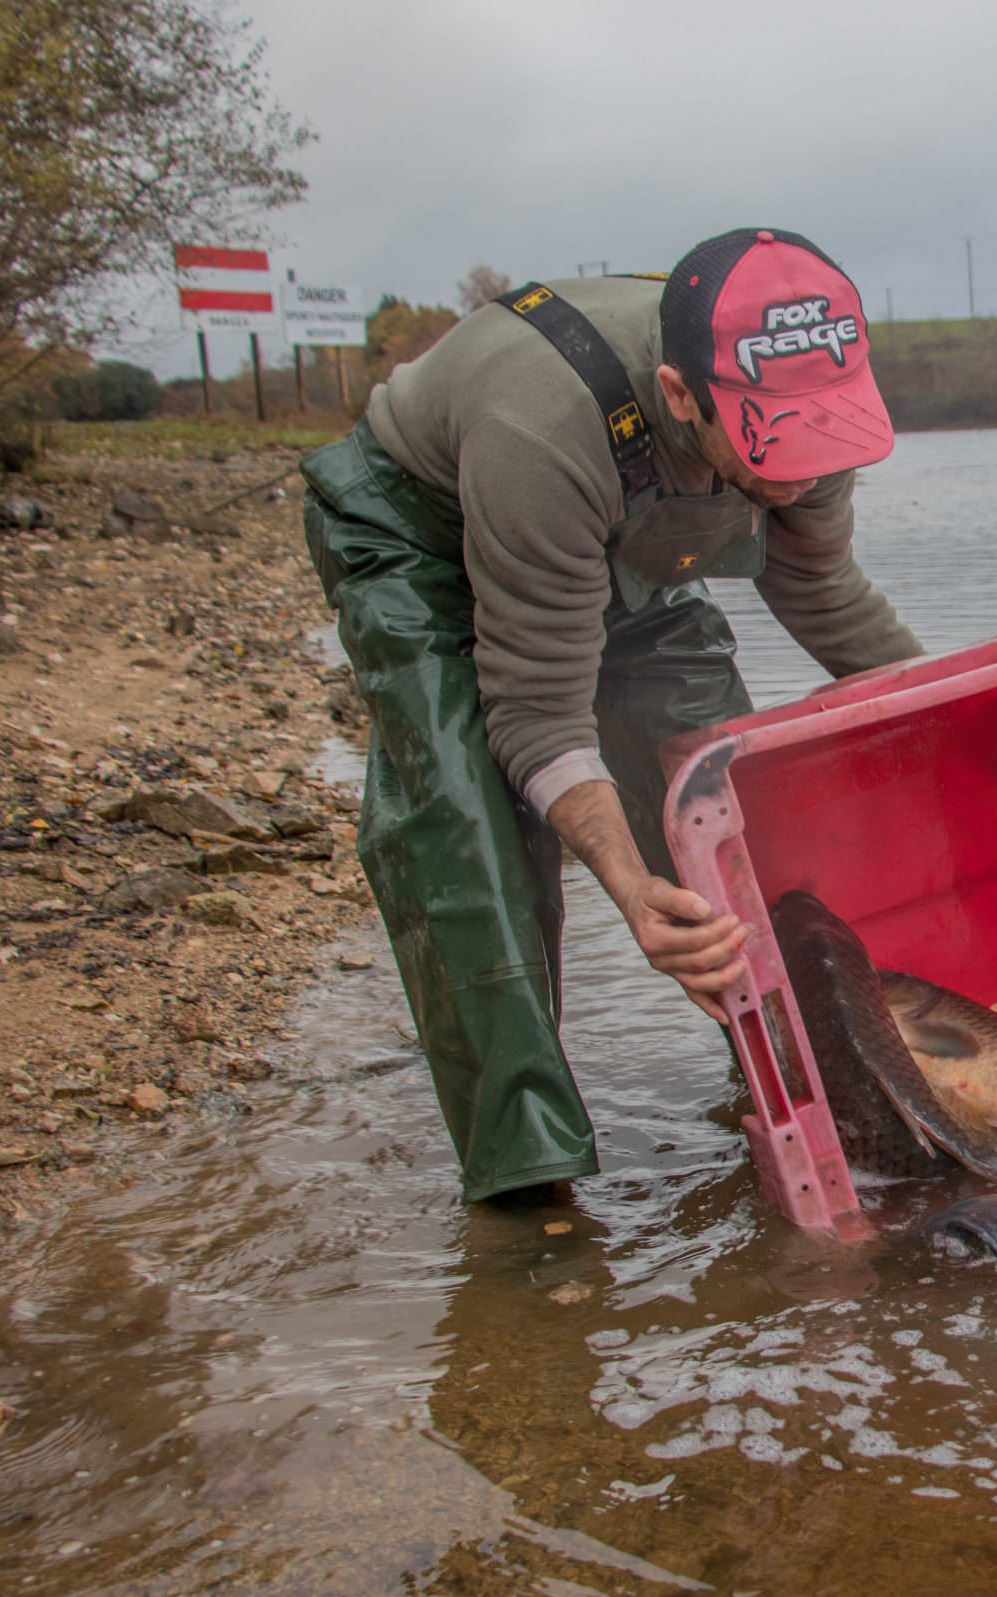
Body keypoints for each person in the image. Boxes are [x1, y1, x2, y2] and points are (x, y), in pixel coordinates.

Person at [298, 229, 921, 1202]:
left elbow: (825, 594)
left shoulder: (805, 399)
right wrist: (631, 890)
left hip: (625, 533)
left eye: (820, 441)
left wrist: (967, 723)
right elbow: (538, 716)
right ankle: (526, 1202)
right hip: (427, 530)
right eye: (773, 447)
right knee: (471, 843)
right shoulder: (541, 424)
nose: (802, 476)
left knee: (718, 811)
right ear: (681, 395)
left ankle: (803, 1091)